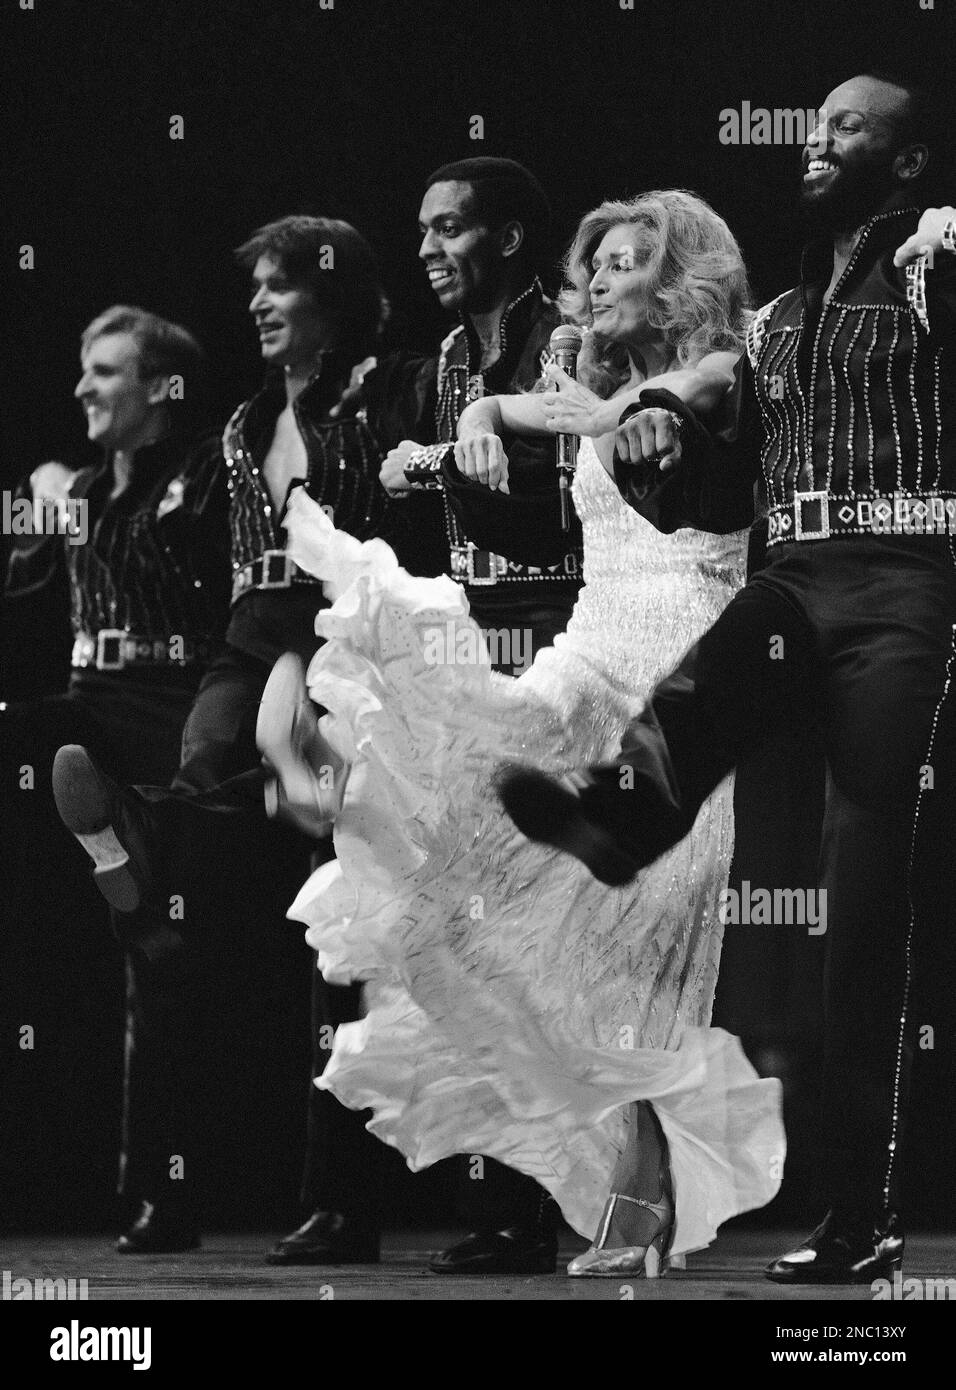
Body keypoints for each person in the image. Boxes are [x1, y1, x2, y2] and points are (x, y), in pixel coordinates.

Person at [260, 189, 785, 1278]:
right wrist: (480, 418)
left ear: (680, 277)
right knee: (464, 846)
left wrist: (496, 416)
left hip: (677, 682)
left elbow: (621, 414)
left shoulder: (718, 374)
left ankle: (634, 1205)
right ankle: (589, 1183)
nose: (595, 279)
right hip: (582, 661)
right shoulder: (592, 381)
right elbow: (562, 420)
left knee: (632, 949)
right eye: (589, 264)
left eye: (626, 261)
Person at [498, 72, 956, 1283]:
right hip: (795, 576)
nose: (816, 140)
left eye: (848, 128)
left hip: (906, 582)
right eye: (811, 125)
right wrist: (655, 426)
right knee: (708, 682)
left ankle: (858, 1219)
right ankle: (619, 817)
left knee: (862, 909)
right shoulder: (785, 319)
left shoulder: (929, 262)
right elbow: (712, 445)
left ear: (907, 164)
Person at [52, 218, 406, 1257]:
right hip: (252, 638)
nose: (256, 302)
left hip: (348, 633)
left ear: (329, 300)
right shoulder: (245, 422)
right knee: (197, 796)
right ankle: (143, 836)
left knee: (341, 941)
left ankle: (342, 1199)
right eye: (251, 285)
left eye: (278, 288)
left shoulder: (386, 390)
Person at [266, 158, 588, 1274]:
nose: (427, 249)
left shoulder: (570, 339)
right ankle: (340, 1200)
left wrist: (439, 465)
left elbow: (557, 512)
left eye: (449, 229)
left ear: (507, 238)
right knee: (368, 910)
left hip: (547, 639)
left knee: (507, 932)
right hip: (450, 646)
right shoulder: (439, 360)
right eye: (420, 231)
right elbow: (378, 494)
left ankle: (516, 1208)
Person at [0, 307, 230, 1228]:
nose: (81, 389)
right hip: (83, 715)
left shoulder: (212, 473)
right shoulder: (78, 489)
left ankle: (159, 1197)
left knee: (157, 961)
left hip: (172, 716)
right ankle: (104, 845)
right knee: (28, 733)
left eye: (104, 372)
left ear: (162, 390)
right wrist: (34, 501)